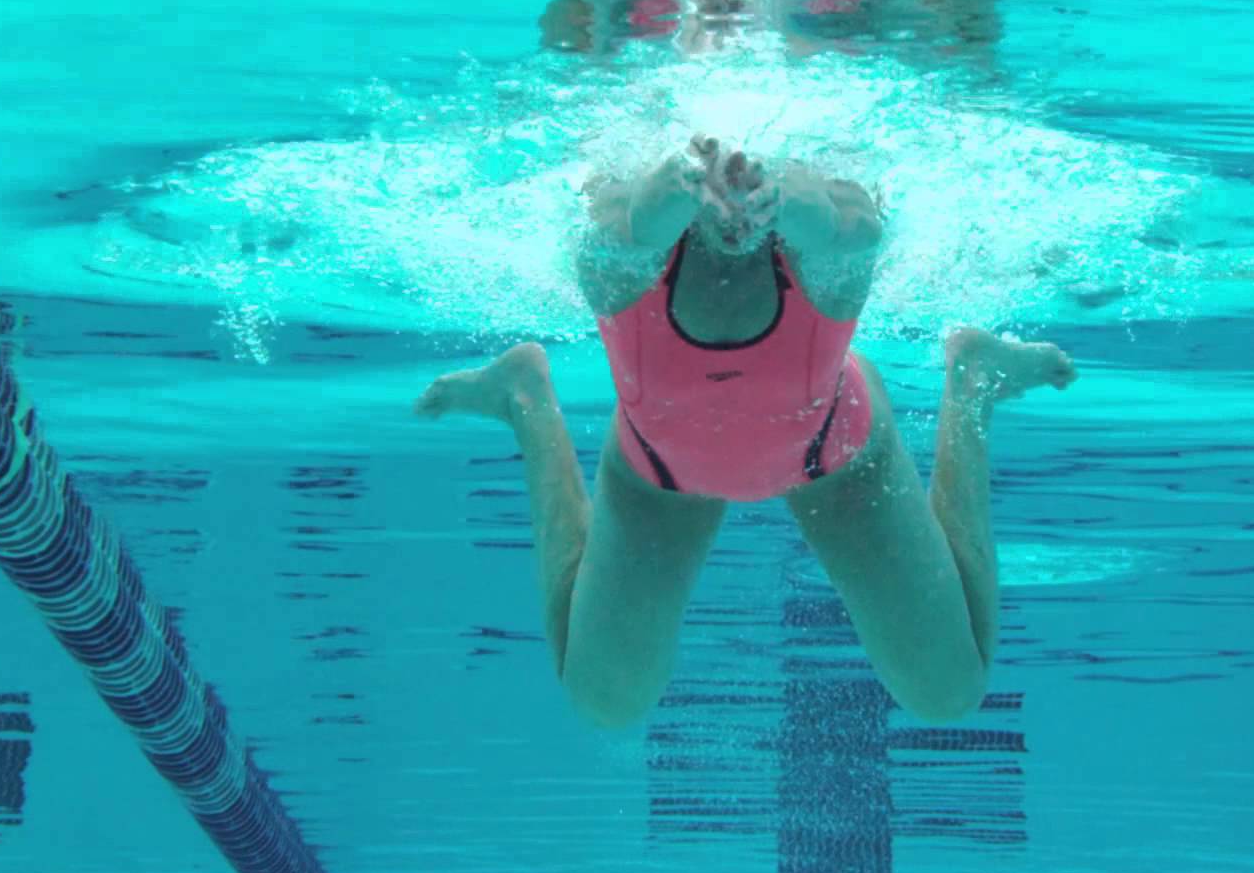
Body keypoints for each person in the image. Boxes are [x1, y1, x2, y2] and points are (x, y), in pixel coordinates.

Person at [415, 131, 1077, 728]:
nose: (732, 201)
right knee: (602, 700)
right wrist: (662, 197)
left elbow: (858, 227)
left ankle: (974, 381)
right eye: (711, 182)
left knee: (949, 693)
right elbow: (612, 228)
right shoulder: (624, 261)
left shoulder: (820, 253)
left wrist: (797, 201)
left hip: (837, 452)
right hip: (658, 473)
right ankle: (523, 395)